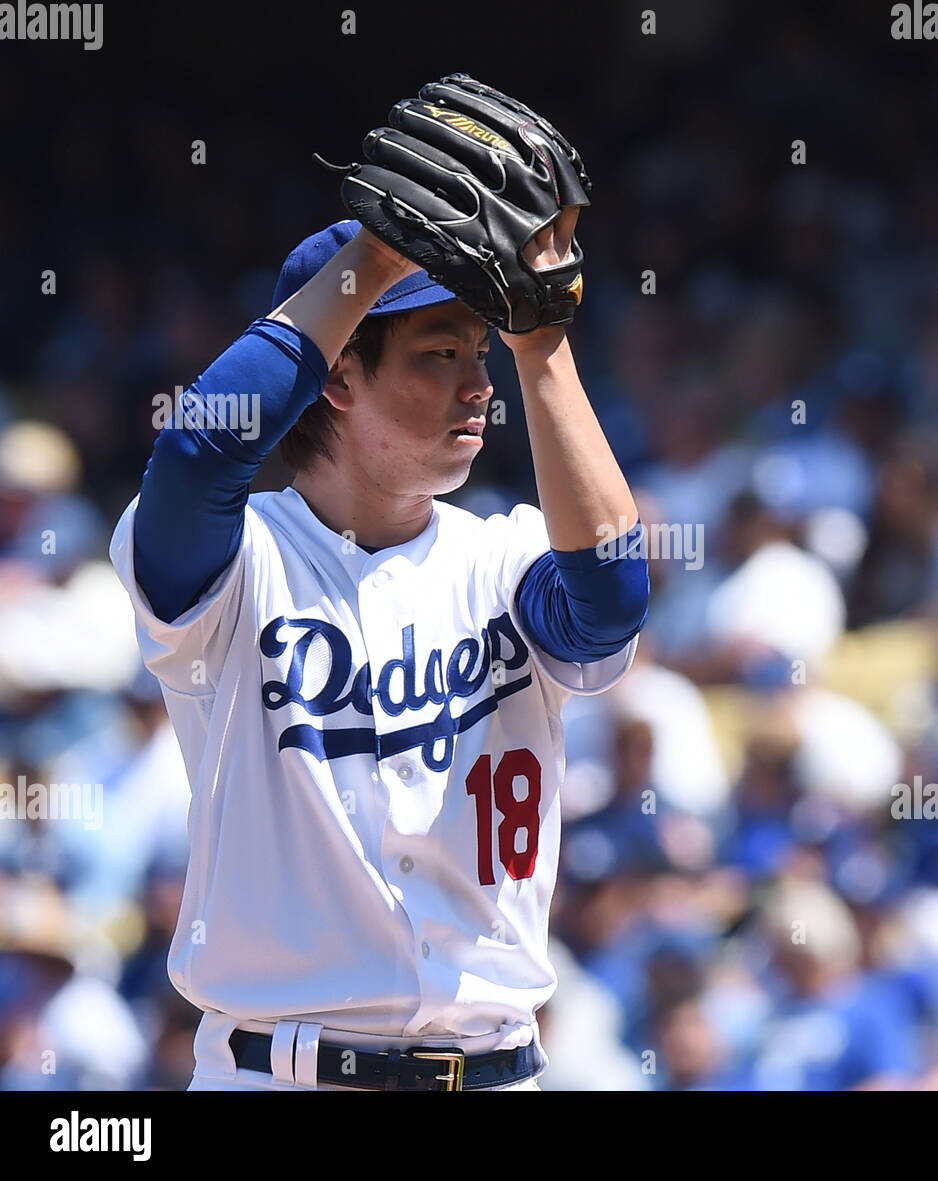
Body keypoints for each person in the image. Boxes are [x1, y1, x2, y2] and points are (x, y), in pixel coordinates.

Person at [109, 81, 648, 1091]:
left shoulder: (505, 557)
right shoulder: (239, 565)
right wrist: (378, 255)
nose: (475, 385)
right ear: (337, 377)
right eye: (441, 352)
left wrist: (540, 340)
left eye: (475, 352)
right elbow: (194, 456)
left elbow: (609, 602)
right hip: (280, 1071)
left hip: (498, 1068)